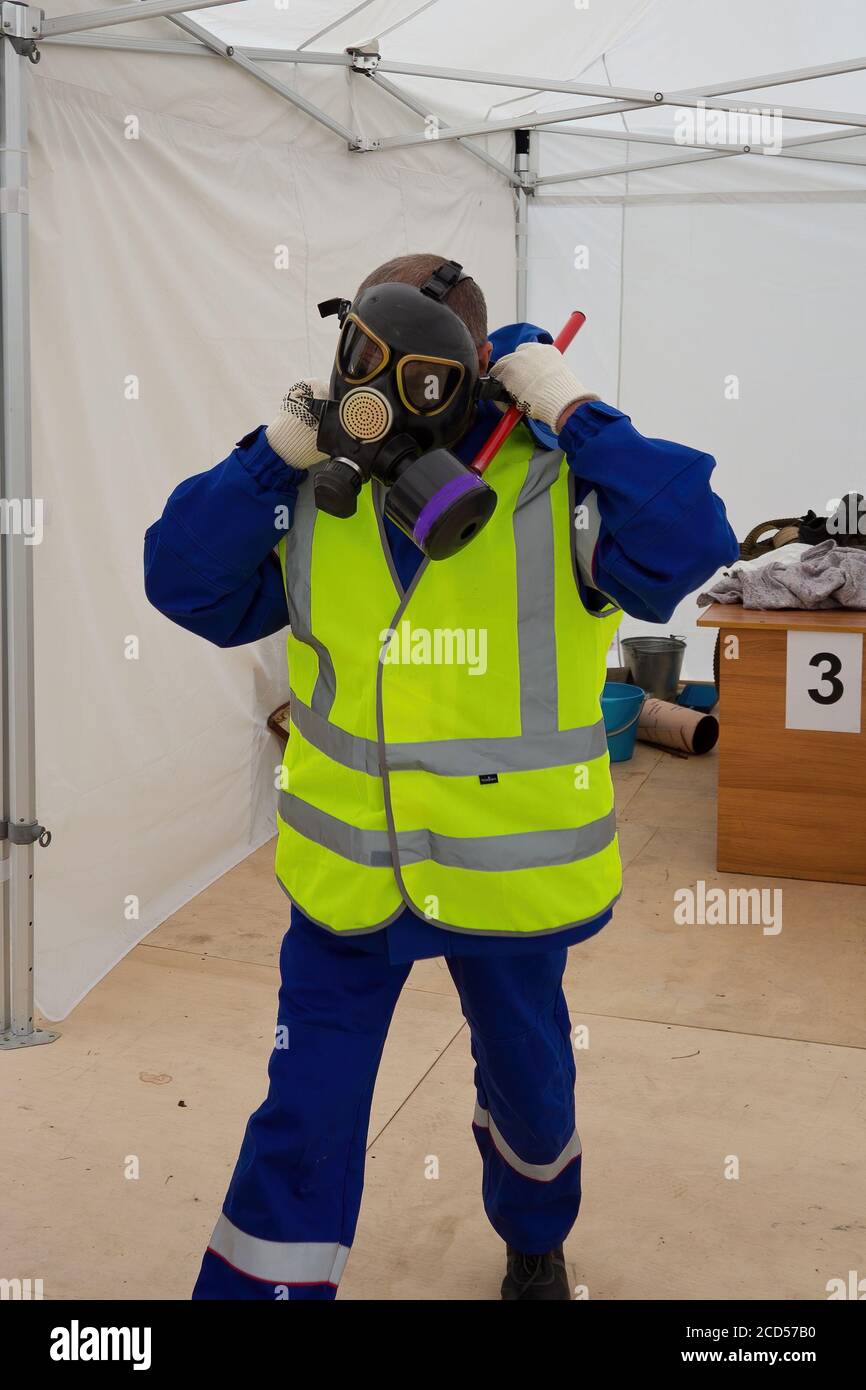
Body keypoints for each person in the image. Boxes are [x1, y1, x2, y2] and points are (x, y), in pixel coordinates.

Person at [144, 252, 738, 1300]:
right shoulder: (309, 491)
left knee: (529, 1085)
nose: (388, 403)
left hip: (504, 879)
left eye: (422, 376)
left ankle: (534, 1233)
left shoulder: (559, 488)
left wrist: (574, 408)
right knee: (307, 1109)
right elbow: (180, 575)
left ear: (476, 376)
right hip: (349, 882)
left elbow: (692, 538)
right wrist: (271, 452)